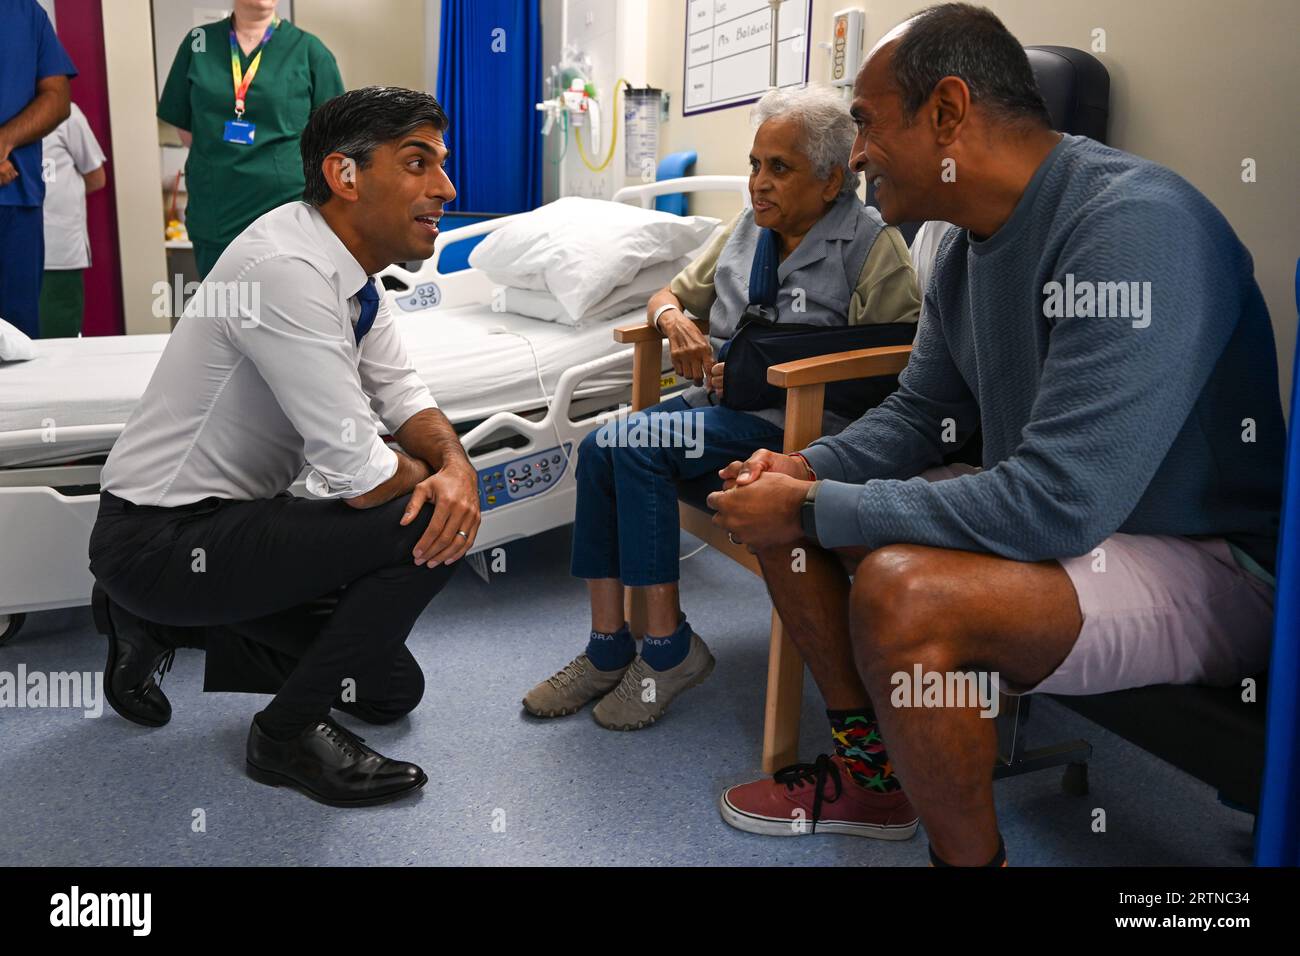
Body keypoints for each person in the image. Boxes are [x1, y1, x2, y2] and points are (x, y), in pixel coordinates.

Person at [708, 3, 1284, 866]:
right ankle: (877, 780)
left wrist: (823, 502)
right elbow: (914, 416)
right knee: (788, 526)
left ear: (946, 112)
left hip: (1209, 562)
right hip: (1078, 533)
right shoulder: (962, 249)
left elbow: (1060, 501)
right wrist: (798, 470)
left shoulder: (1133, 225)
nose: (856, 155)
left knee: (906, 589)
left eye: (866, 124)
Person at [88, 87, 476, 808]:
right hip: (159, 538)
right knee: (428, 523)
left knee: (390, 691)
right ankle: (284, 736)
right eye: (418, 162)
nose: (446, 188)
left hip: (226, 529)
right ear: (345, 175)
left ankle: (147, 620)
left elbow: (406, 397)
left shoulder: (355, 280)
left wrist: (455, 466)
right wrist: (439, 482)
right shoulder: (285, 270)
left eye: (442, 165)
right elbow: (363, 477)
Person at [523, 85, 922, 731]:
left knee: (635, 444)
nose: (758, 184)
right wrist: (677, 321)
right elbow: (666, 294)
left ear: (829, 181)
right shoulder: (746, 230)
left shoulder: (872, 247)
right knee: (601, 446)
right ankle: (606, 647)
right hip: (719, 411)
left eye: (779, 168)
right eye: (755, 165)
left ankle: (668, 651)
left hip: (798, 430)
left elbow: (898, 359)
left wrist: (778, 373)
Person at [158, 0, 344, 278]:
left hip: (285, 214)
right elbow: (187, 130)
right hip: (216, 213)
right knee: (223, 313)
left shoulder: (309, 51)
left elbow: (332, 139)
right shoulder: (199, 42)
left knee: (282, 309)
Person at [0, 0, 76, 338]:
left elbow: (57, 99)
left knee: (18, 337)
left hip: (17, 200)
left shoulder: (26, 13)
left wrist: (4, 140)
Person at [39, 102, 106, 338]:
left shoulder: (66, 113)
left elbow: (95, 178)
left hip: (59, 255)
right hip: (12, 252)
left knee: (58, 339)